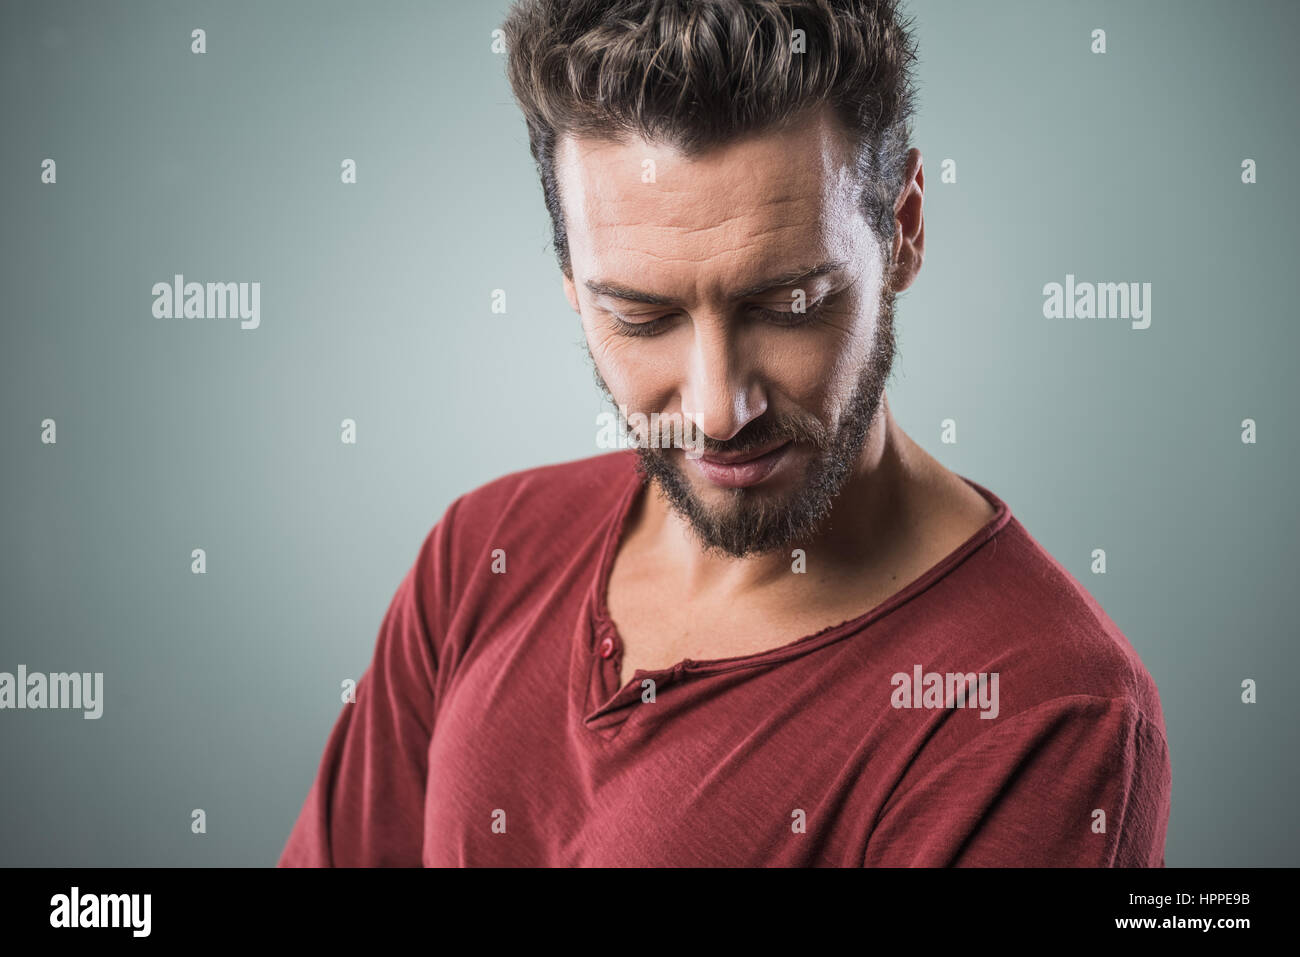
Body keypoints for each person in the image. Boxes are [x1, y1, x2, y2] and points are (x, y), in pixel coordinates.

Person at [279, 0, 1171, 867]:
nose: (717, 411)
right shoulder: (482, 553)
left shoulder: (1044, 713)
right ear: (569, 285)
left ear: (902, 229)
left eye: (789, 306)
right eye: (639, 316)